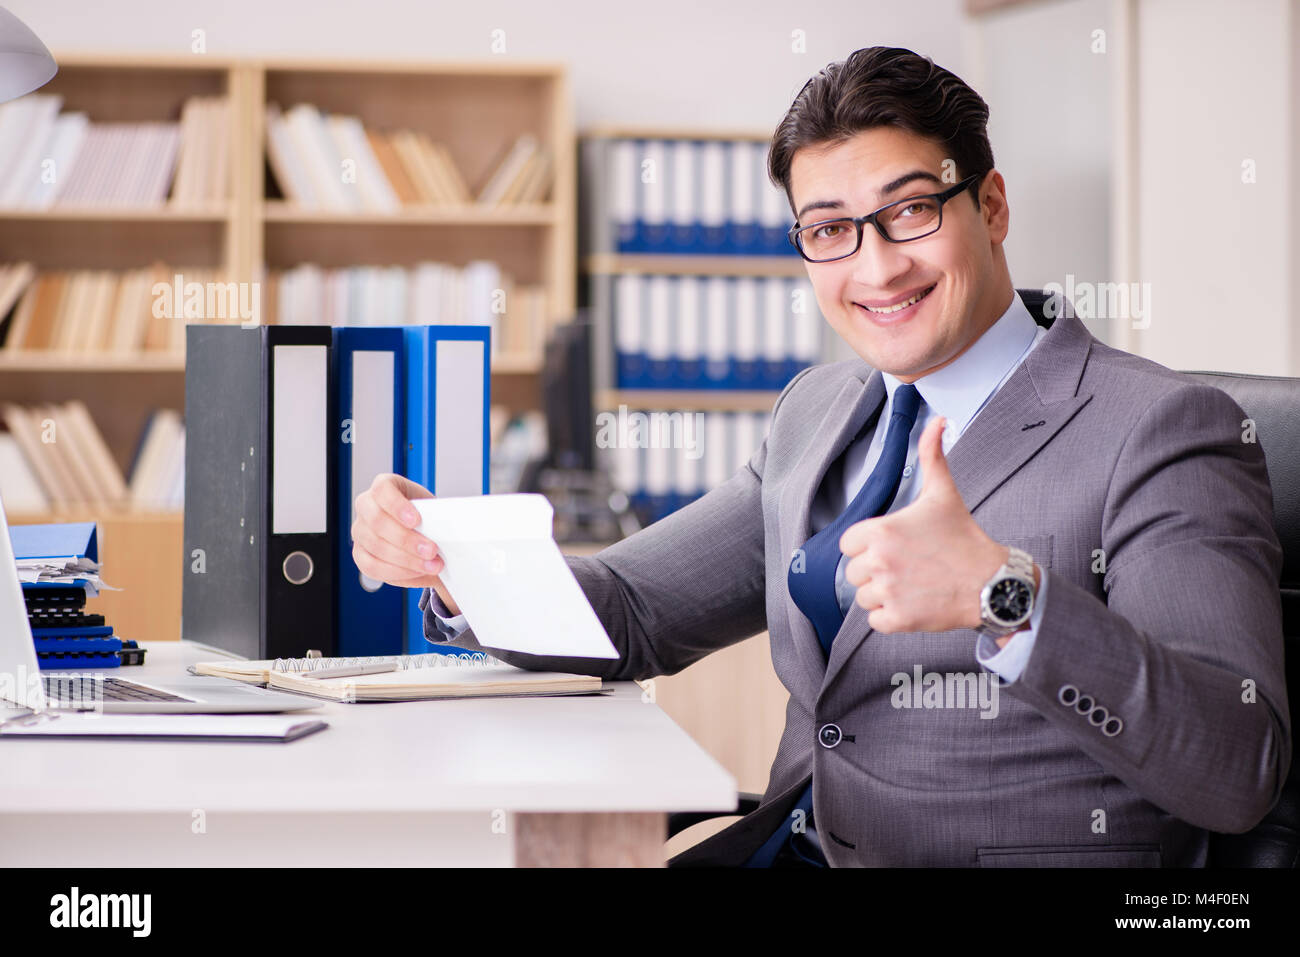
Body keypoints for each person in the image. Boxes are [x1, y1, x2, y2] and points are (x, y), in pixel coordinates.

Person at [350, 46, 1290, 867]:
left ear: (992, 205)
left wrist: (1007, 595)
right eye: (830, 229)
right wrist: (460, 562)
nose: (876, 269)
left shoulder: (1162, 428)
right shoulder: (818, 410)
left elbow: (1236, 763)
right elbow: (634, 612)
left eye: (911, 210)